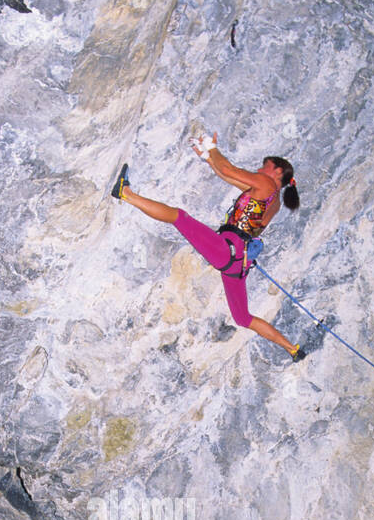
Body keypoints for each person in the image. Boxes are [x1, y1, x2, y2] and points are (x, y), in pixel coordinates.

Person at [111, 133, 305, 360]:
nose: (260, 170)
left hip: (227, 248)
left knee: (179, 217)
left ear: (277, 172)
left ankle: (125, 193)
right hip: (237, 262)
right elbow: (228, 176)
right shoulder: (275, 200)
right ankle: (292, 349)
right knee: (243, 317)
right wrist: (208, 157)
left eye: (265, 166)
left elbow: (229, 170)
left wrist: (212, 147)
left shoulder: (266, 183)